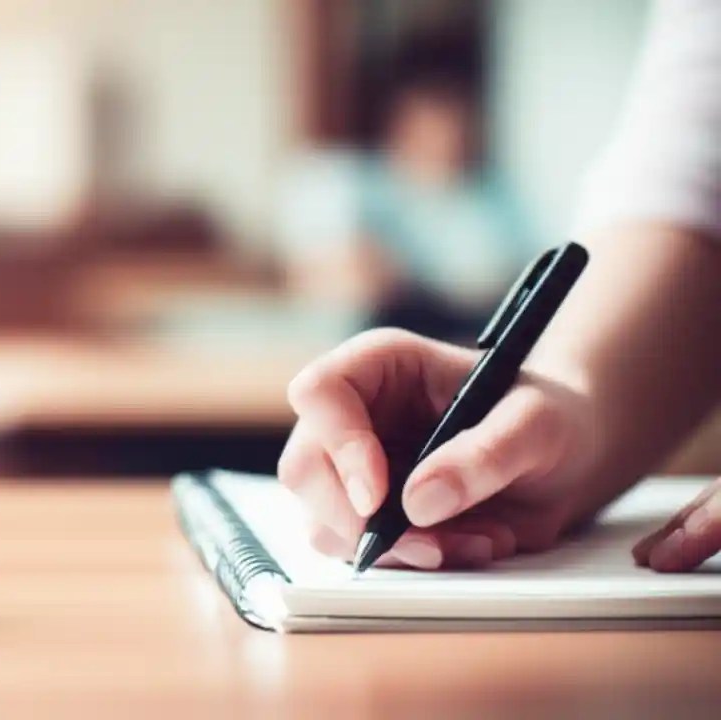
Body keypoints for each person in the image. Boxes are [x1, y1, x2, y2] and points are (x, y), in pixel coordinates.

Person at [278, 0, 721, 573]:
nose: (454, 132)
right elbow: (691, 190)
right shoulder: (350, 184)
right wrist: (570, 412)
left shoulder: (493, 200)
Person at [279, 41, 534, 342]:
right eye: (434, 118)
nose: (449, 136)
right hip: (364, 335)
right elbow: (343, 277)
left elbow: (505, 280)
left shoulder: (492, 198)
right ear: (400, 122)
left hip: (463, 334)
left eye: (458, 121)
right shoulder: (345, 181)